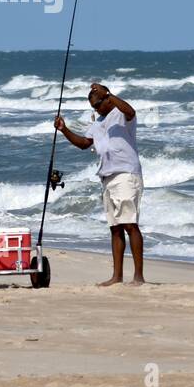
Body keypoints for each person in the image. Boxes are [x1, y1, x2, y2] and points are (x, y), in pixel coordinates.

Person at [55, 82, 146, 286]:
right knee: (115, 227)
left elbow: (131, 110)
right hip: (107, 177)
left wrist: (108, 94)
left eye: (98, 104)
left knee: (130, 223)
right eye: (93, 107)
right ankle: (117, 276)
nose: (96, 109)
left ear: (107, 98)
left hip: (126, 173)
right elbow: (84, 144)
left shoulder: (122, 115)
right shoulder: (97, 123)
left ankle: (139, 276)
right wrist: (63, 129)